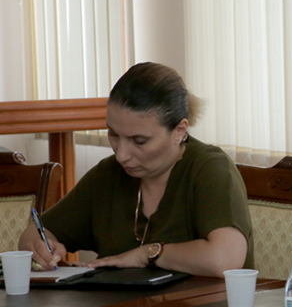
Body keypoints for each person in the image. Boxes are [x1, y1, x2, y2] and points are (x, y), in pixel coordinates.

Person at [18, 62, 253, 276]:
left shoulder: (210, 169)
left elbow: (225, 259)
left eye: (139, 141)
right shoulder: (108, 174)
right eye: (113, 134)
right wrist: (39, 247)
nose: (121, 154)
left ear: (180, 131)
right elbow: (35, 233)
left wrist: (147, 254)